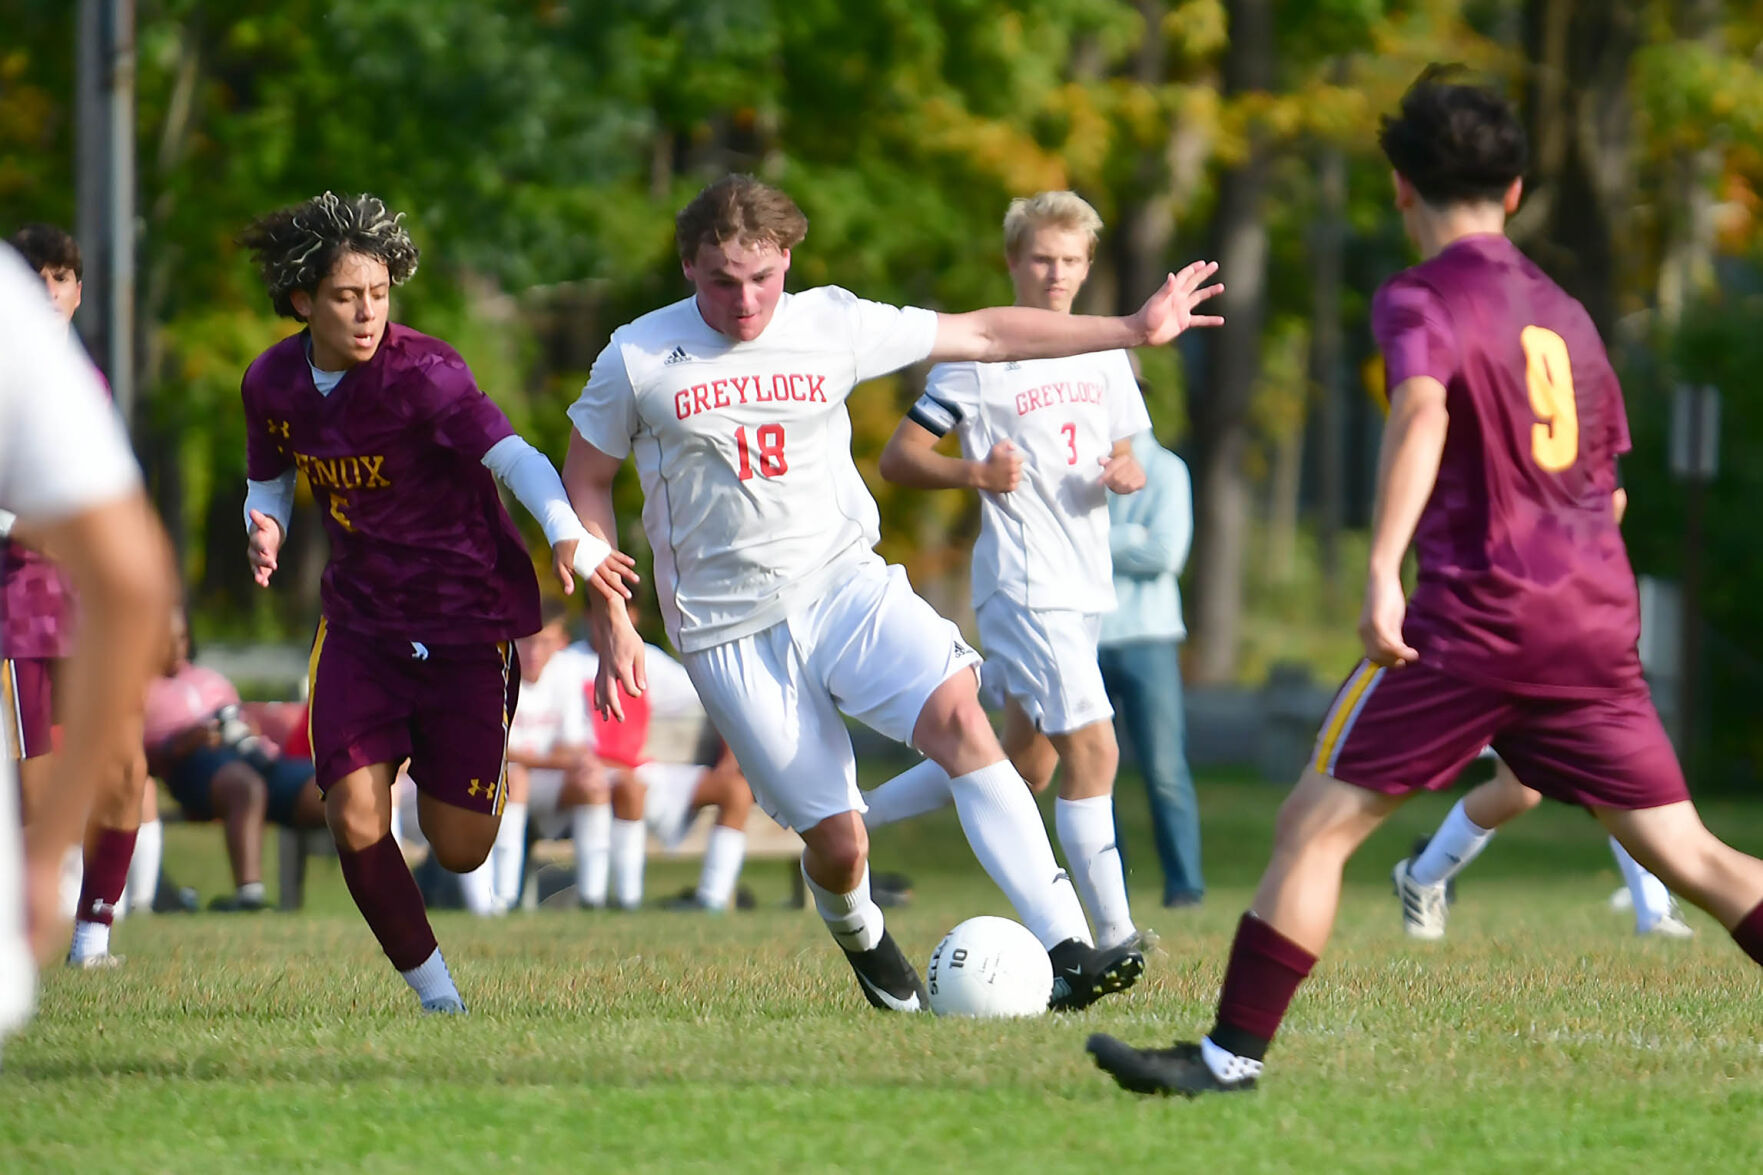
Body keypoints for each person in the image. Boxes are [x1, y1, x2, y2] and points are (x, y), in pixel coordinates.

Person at [1087, 67, 1763, 1096]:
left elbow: (1418, 413)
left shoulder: (1420, 295)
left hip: (1471, 623)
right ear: (1517, 190)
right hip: (1589, 623)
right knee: (1693, 856)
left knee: (1313, 824)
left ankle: (1225, 1058)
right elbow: (1608, 494)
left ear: (1397, 183)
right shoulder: (1569, 315)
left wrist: (1377, 570)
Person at [562, 174, 1223, 1011]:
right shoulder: (639, 356)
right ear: (689, 265)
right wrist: (609, 608)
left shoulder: (830, 320)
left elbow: (982, 333)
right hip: (727, 627)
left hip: (844, 583)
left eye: (761, 277)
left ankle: (1068, 947)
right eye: (722, 280)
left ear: (787, 259)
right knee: (838, 846)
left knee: (960, 716)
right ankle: (862, 934)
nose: (744, 299)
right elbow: (586, 476)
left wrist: (1130, 327)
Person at [238, 192, 635, 1013]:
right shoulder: (271, 381)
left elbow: (516, 456)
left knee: (459, 848)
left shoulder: (426, 372)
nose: (368, 313)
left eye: (379, 294)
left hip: (464, 625)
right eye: (348, 297)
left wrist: (565, 530)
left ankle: (437, 761)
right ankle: (437, 995)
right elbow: (269, 471)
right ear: (302, 299)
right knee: (352, 814)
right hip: (360, 623)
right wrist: (265, 522)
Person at [861, 191, 1152, 953]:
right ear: (1013, 263)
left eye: (1069, 260)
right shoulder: (977, 357)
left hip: (1084, 582)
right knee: (1097, 751)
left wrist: (1124, 468)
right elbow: (899, 459)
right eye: (1040, 259)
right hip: (1026, 584)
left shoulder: (1103, 349)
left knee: (1025, 763)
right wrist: (975, 475)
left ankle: (848, 824)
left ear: (1087, 267)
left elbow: (1124, 448)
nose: (1055, 274)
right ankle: (1117, 938)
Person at [0, 243, 176, 1053]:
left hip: (85, 618)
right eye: (34, 278)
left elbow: (125, 544)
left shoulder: (83, 385)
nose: (44, 293)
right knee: (38, 794)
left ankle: (94, 933)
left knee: (123, 772)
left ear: (76, 293)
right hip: (17, 620)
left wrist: (147, 601)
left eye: (60, 280)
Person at [142, 606, 327, 910]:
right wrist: (190, 740)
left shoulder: (209, 679)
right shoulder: (142, 690)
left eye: (181, 638)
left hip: (256, 756)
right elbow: (144, 753)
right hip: (195, 766)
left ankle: (377, 888)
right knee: (246, 787)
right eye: (166, 639)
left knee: (326, 786)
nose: (176, 647)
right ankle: (249, 895)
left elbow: (241, 718)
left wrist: (245, 727)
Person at [1396, 753, 1692, 939]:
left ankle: (1654, 913)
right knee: (1518, 792)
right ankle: (1423, 877)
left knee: (1616, 778)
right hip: (1514, 664)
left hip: (1585, 665)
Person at [1099, 425, 1204, 908]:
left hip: (1151, 638)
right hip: (1088, 635)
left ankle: (1184, 888)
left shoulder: (1167, 469)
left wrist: (1099, 540)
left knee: (1165, 770)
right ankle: (1107, 890)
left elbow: (1167, 553)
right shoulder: (1080, 466)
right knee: (1095, 771)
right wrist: (1129, 537)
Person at [455, 596, 606, 915]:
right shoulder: (493, 672)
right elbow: (492, 751)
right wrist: (555, 759)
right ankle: (503, 899)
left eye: (545, 642)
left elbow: (575, 746)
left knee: (593, 784)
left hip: (545, 786)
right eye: (527, 642)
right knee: (514, 780)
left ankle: (596, 900)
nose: (534, 652)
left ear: (561, 642)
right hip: (485, 788)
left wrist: (574, 763)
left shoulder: (567, 672)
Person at [583, 633, 754, 912]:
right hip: (597, 778)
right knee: (631, 786)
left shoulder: (646, 658)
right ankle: (626, 902)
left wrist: (729, 756)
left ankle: (711, 902)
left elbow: (716, 693)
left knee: (737, 790)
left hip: (648, 771)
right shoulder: (567, 664)